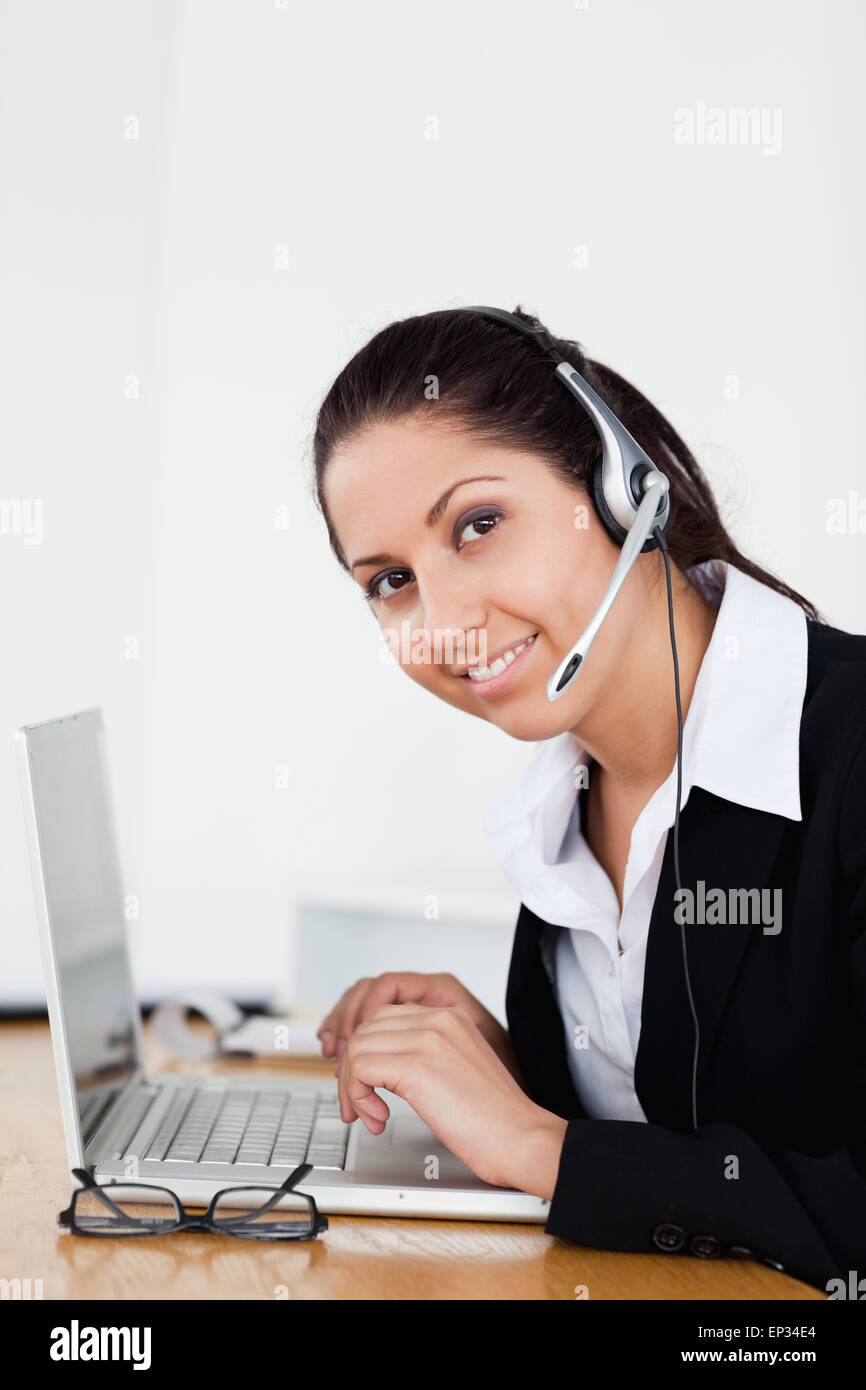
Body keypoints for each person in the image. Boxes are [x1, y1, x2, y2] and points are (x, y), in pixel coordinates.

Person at [308, 304, 866, 1293]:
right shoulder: (563, 805)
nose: (440, 623)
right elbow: (704, 1142)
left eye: (476, 525)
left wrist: (538, 1144)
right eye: (390, 579)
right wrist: (512, 1067)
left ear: (619, 486)